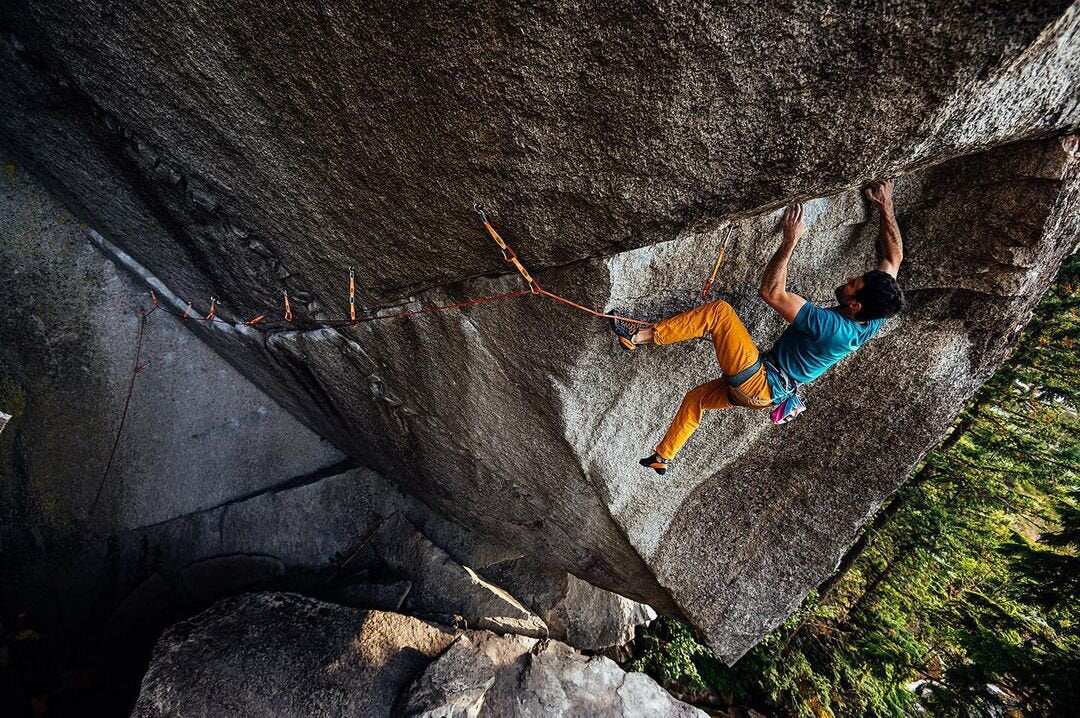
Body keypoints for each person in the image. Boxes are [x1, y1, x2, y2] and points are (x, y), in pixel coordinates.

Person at [612, 180, 905, 475]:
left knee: (719, 313)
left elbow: (772, 293)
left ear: (856, 305)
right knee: (696, 400)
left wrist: (789, 243)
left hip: (760, 381)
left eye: (853, 284)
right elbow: (894, 259)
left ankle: (638, 336)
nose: (850, 279)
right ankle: (663, 456)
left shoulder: (833, 328)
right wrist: (885, 205)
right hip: (765, 395)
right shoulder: (872, 317)